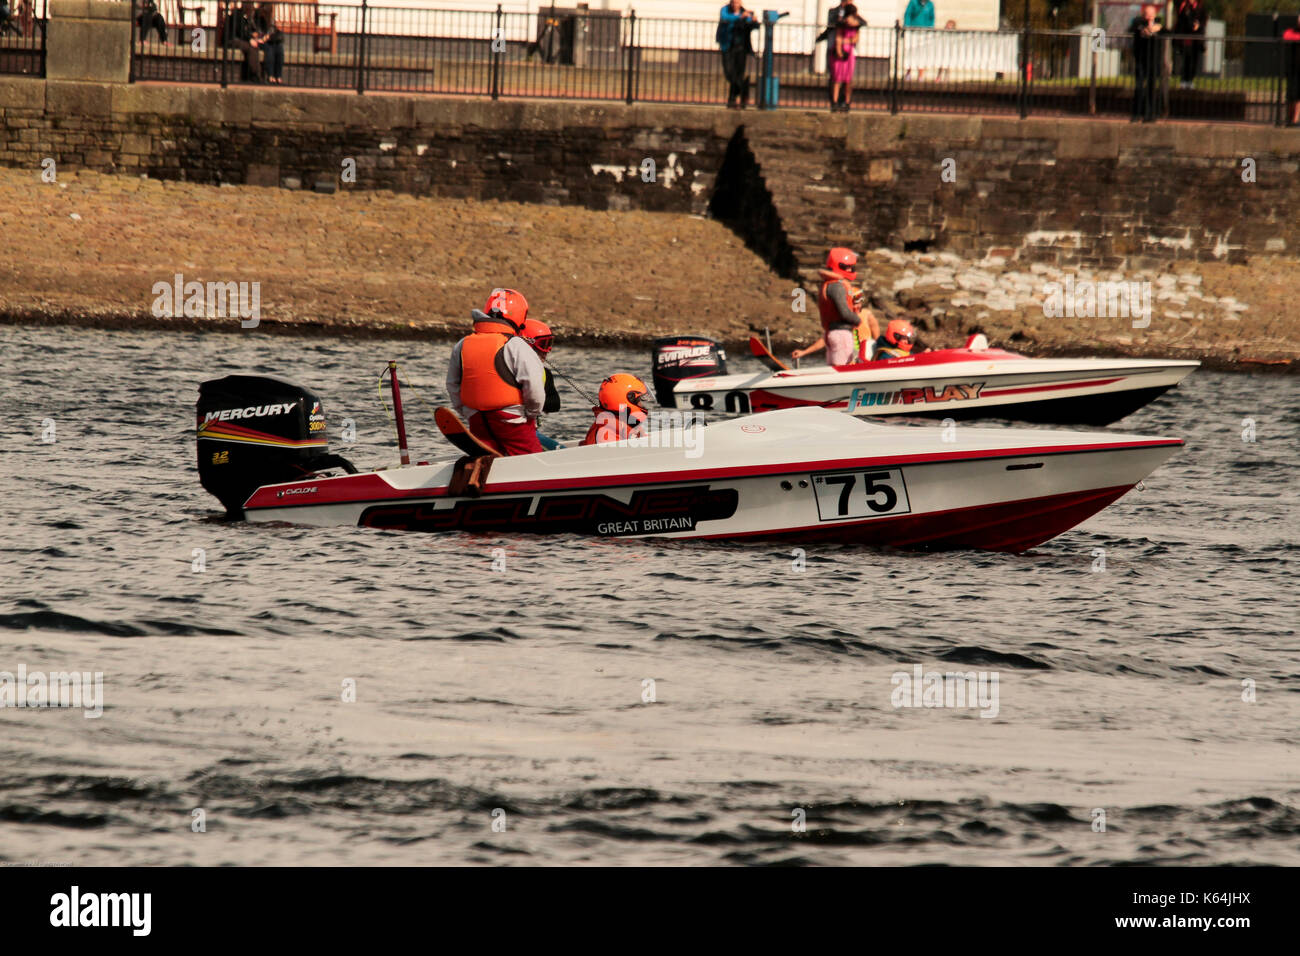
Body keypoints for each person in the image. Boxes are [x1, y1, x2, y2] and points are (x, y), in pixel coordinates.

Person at [445, 288, 548, 456]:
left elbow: (452, 384)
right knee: (532, 458)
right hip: (513, 422)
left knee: (485, 457)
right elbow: (534, 387)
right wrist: (532, 414)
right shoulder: (517, 345)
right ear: (519, 316)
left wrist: (467, 412)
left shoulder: (462, 344)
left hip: (477, 421)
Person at [793, 248, 879, 367]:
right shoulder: (837, 286)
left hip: (834, 335)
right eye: (845, 266)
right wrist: (857, 320)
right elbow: (844, 313)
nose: (850, 270)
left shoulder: (828, 285)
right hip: (841, 335)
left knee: (835, 368)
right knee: (841, 369)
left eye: (852, 267)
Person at [581, 374, 650, 446]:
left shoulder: (626, 425)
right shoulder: (606, 434)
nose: (642, 404)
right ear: (628, 401)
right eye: (639, 400)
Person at [716, 0, 758, 109]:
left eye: (737, 3)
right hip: (727, 46)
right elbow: (725, 18)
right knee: (729, 72)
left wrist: (754, 21)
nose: (735, 5)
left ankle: (732, 100)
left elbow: (752, 25)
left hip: (741, 47)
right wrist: (740, 17)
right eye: (734, 2)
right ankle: (743, 88)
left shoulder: (745, 12)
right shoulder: (725, 10)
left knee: (738, 74)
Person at [1130, 2, 1163, 123]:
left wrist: (1156, 28)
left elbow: (1167, 31)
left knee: (1151, 87)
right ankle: (1136, 114)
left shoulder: (1159, 23)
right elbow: (1134, 29)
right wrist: (1145, 29)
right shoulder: (1138, 22)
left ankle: (1150, 114)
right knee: (1139, 87)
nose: (1149, 17)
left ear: (1155, 15)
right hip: (1141, 59)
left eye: (1151, 15)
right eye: (1147, 14)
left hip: (1153, 61)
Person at [829, 5, 863, 112]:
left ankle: (846, 102)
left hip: (850, 54)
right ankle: (834, 102)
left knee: (848, 80)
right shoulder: (841, 25)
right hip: (841, 54)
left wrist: (846, 41)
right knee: (837, 79)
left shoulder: (856, 26)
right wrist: (839, 51)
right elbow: (838, 39)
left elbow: (855, 39)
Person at [225, 1, 263, 84]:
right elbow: (240, 31)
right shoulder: (237, 15)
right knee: (250, 47)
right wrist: (250, 40)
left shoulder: (245, 17)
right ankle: (256, 74)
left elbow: (247, 31)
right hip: (232, 40)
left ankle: (251, 74)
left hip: (240, 39)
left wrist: (254, 37)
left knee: (253, 47)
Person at [1172, 0, 1205, 90]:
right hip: (1184, 39)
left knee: (1193, 61)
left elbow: (1203, 21)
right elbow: (1181, 21)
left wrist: (1198, 26)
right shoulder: (1183, 6)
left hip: (1196, 39)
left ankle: (1190, 80)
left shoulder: (1200, 8)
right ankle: (1184, 80)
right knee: (1185, 60)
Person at [903, 0, 935, 81]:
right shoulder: (913, 2)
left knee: (922, 53)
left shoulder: (930, 4)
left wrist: (929, 29)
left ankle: (920, 75)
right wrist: (907, 27)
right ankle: (908, 73)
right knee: (910, 51)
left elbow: (932, 18)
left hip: (924, 32)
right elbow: (908, 15)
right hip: (912, 31)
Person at [255, 3, 285, 85]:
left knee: (279, 47)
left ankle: (278, 75)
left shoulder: (270, 21)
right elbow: (256, 31)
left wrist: (268, 37)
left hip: (270, 41)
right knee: (269, 48)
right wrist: (264, 37)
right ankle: (270, 75)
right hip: (260, 41)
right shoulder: (256, 18)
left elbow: (273, 32)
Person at [1285, 19, 1300, 127]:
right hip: (1292, 70)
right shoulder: (1290, 32)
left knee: (1298, 97)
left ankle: (1294, 120)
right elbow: (1286, 36)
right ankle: (1289, 119)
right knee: (1292, 97)